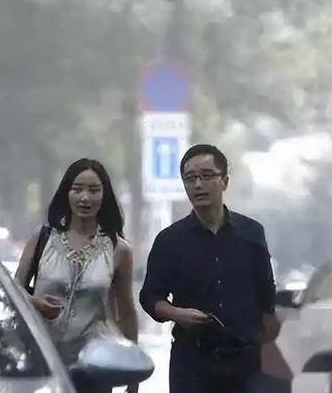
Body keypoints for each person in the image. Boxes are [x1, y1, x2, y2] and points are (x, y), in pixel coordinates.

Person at [139, 144, 281, 393]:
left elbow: (266, 298)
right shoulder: (170, 240)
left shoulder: (251, 233)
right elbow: (150, 297)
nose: (198, 185)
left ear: (224, 181)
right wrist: (178, 314)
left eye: (206, 176)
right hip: (193, 362)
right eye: (190, 178)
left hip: (246, 362)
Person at [15, 158, 139, 393]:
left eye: (94, 190)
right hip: (42, 362)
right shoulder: (42, 239)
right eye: (77, 189)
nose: (85, 198)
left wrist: (133, 377)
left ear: (104, 195)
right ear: (66, 192)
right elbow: (13, 291)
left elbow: (127, 312)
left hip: (95, 366)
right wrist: (35, 302)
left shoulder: (119, 249)